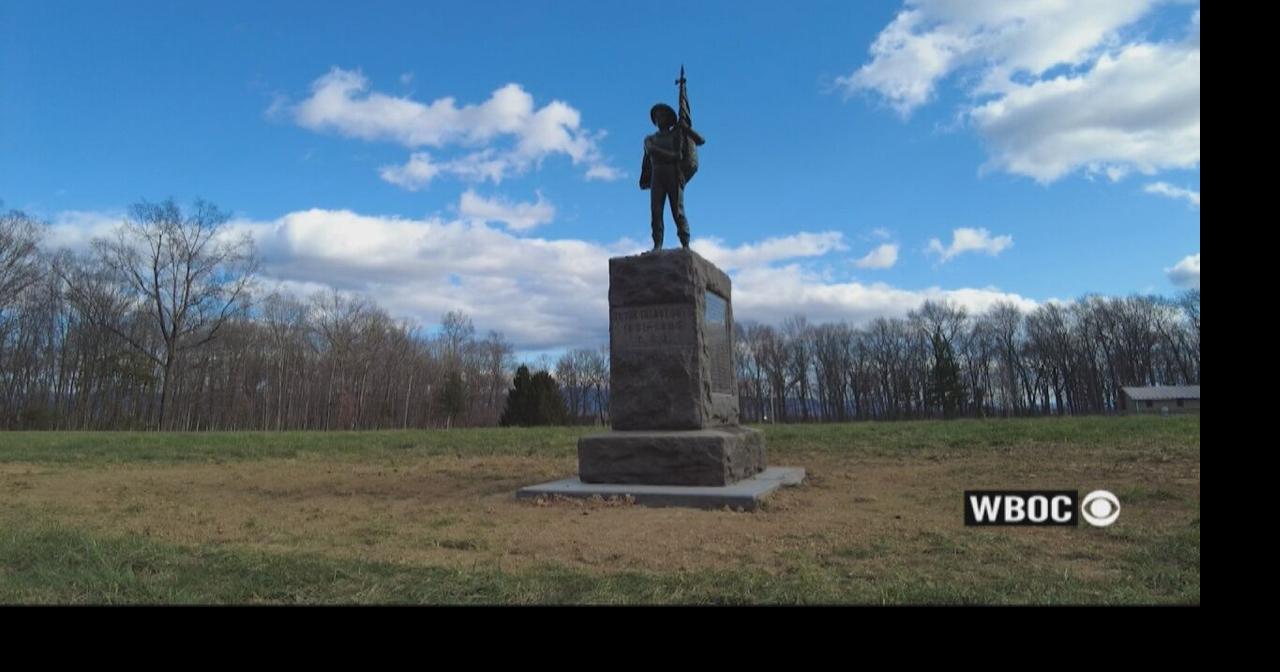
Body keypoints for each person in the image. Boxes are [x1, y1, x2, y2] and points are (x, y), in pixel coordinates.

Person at [639, 103, 692, 251]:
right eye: (657, 116)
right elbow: (651, 150)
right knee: (656, 211)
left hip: (673, 174)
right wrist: (672, 155)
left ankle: (685, 242)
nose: (659, 118)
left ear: (669, 119)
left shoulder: (677, 136)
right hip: (657, 175)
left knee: (678, 211)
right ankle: (657, 244)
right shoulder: (650, 139)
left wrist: (674, 155)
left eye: (662, 115)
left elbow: (680, 155)